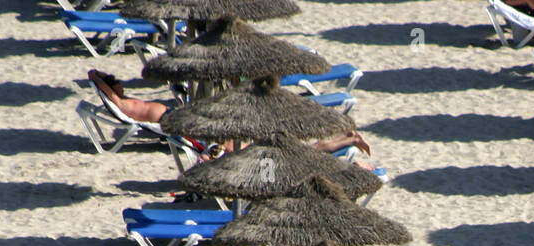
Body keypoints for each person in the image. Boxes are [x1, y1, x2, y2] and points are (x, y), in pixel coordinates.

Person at [86, 70, 373, 156]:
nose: (124, 85)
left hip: (183, 124)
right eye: (118, 85)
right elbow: (114, 97)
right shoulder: (134, 106)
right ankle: (347, 139)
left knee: (303, 151)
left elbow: (117, 101)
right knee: (303, 151)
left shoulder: (135, 106)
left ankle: (348, 139)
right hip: (184, 124)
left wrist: (102, 81)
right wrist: (102, 82)